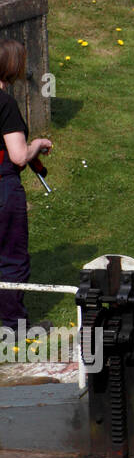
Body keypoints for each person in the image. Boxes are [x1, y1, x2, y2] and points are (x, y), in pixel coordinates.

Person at [0, 40, 52, 330]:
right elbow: (18, 157)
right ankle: (14, 329)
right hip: (3, 188)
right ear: (13, 67)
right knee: (10, 258)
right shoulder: (5, 104)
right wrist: (37, 145)